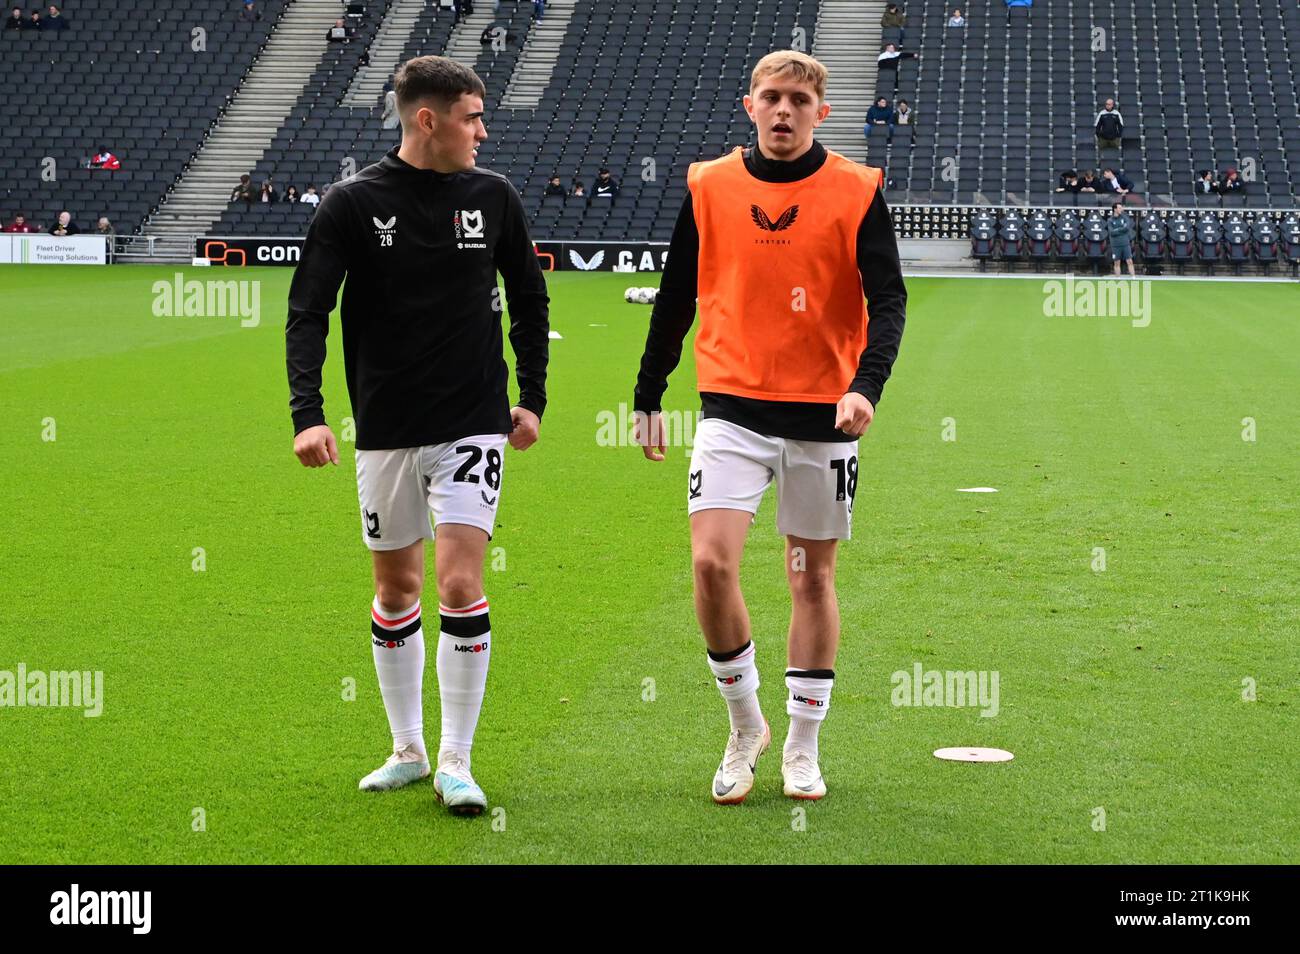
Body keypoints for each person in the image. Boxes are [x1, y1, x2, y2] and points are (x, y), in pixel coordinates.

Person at [632, 50, 907, 805]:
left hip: (824, 419)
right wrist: (648, 392)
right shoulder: (709, 184)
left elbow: (889, 302)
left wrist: (866, 388)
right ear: (748, 105)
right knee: (711, 565)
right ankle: (745, 724)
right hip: (732, 409)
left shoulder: (855, 190)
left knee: (810, 577)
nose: (783, 112)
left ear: (821, 111)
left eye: (798, 100)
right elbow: (676, 296)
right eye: (771, 98)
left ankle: (803, 745)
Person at [286, 54, 550, 817]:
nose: (483, 129)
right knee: (395, 588)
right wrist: (308, 414)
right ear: (426, 120)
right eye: (471, 116)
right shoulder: (350, 203)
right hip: (386, 428)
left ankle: (458, 763)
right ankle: (408, 749)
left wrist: (531, 398)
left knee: (461, 582)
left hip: (473, 421)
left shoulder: (493, 197)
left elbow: (529, 299)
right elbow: (308, 313)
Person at [1108, 202, 1136, 276]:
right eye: (1119, 208)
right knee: (1117, 262)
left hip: (1125, 243)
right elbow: (1111, 232)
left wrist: (1117, 230)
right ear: (1115, 209)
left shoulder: (1124, 217)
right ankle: (1118, 279)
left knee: (1130, 261)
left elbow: (1126, 228)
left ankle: (1133, 278)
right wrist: (1121, 229)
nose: (1121, 209)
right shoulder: (1110, 220)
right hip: (1115, 245)